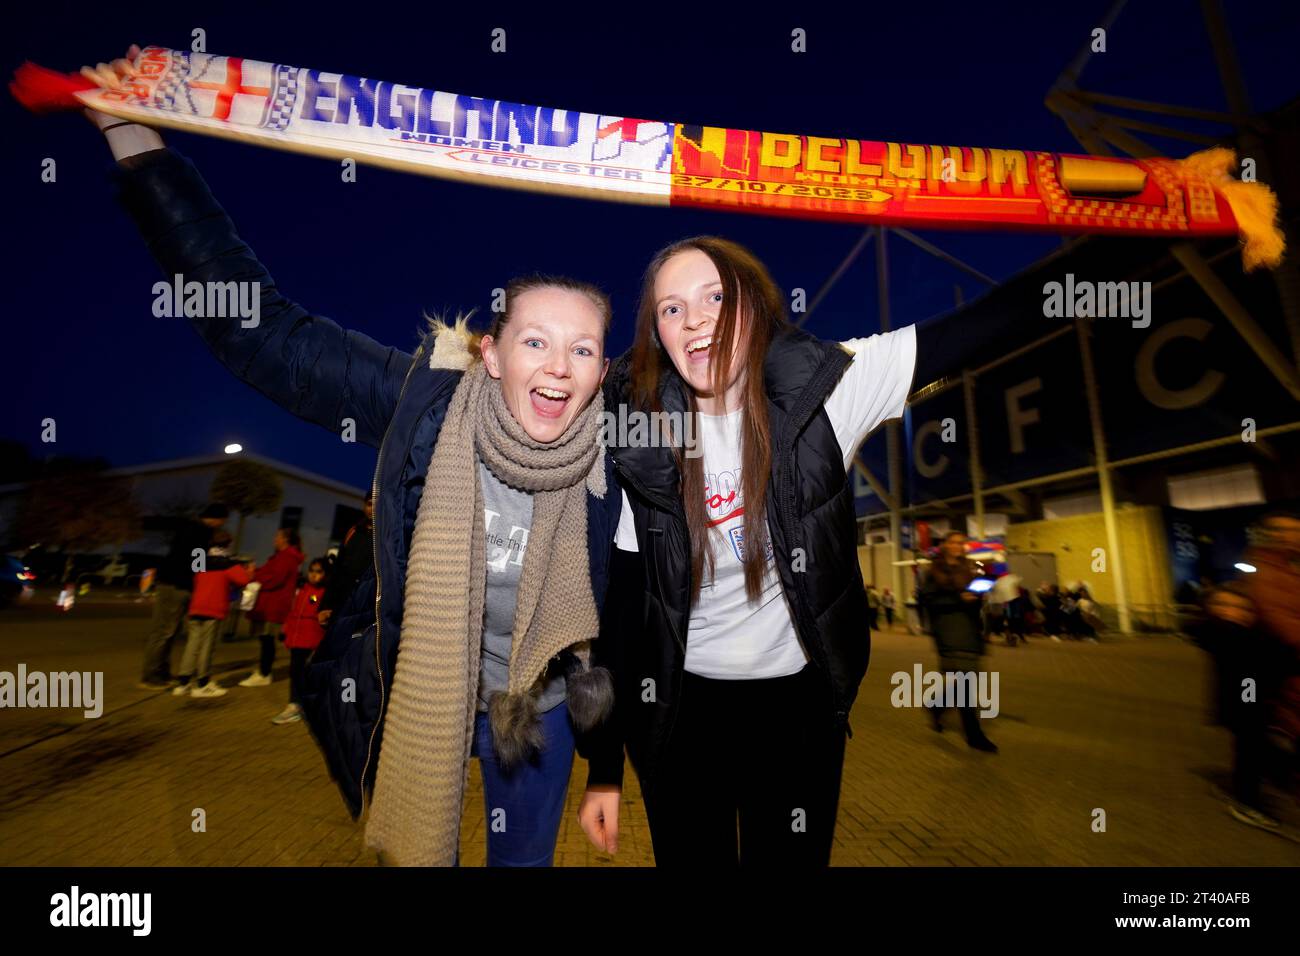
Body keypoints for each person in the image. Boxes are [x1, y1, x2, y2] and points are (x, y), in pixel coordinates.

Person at [84, 48, 623, 866]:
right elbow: (260, 332)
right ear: (489, 353)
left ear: (602, 373)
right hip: (419, 696)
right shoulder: (420, 402)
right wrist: (136, 144)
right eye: (536, 341)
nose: (558, 365)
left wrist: (608, 769)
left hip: (538, 711)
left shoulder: (620, 459)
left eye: (582, 349)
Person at [580, 235, 951, 866]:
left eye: (715, 297)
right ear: (660, 336)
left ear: (753, 307)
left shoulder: (828, 388)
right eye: (671, 309)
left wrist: (1168, 205)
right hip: (680, 713)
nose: (694, 319)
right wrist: (605, 766)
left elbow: (979, 331)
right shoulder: (642, 431)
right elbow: (622, 609)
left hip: (797, 716)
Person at [1187, 582, 1282, 830]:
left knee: (1255, 752)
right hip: (1244, 705)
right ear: (1210, 609)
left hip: (1252, 703)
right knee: (1250, 752)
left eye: (1241, 607)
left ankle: (1247, 789)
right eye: (1223, 605)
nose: (1233, 611)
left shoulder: (1249, 633)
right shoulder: (1220, 631)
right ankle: (1246, 802)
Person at [917, 531, 998, 752]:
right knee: (966, 683)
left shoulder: (967, 569)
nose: (957, 546)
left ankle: (936, 707)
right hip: (949, 630)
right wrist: (958, 599)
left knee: (966, 681)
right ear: (944, 545)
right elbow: (928, 601)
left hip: (969, 629)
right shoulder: (933, 571)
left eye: (961, 543)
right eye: (953, 542)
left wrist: (976, 596)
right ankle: (974, 735)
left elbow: (972, 600)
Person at [137, 502, 227, 689]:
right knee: (164, 631)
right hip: (175, 585)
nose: (222, 524)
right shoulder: (200, 532)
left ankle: (161, 672)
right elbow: (197, 564)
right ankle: (150, 675)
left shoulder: (190, 528)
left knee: (169, 632)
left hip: (173, 584)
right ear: (217, 519)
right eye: (222, 521)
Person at [173, 530, 253, 698]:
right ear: (228, 544)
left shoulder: (200, 560)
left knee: (192, 645)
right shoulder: (228, 563)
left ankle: (183, 683)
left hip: (196, 606)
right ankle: (202, 684)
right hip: (213, 608)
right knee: (207, 647)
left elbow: (194, 579)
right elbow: (244, 580)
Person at [238, 526, 305, 687]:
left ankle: (265, 673)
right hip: (272, 603)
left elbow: (275, 578)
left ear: (285, 540)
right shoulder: (284, 557)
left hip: (273, 605)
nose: (275, 539)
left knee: (267, 639)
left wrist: (255, 577)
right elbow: (272, 574)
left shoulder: (286, 557)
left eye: (278, 536)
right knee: (265, 639)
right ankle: (263, 671)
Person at [272, 557, 329, 725]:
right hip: (297, 638)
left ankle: (299, 705)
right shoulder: (303, 590)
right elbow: (293, 612)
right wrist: (285, 629)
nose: (314, 575)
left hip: (312, 638)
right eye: (312, 571)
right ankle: (295, 705)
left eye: (319, 572)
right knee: (296, 672)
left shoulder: (324, 593)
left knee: (305, 673)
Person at [318, 493, 372, 629]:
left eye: (378, 504)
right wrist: (325, 605)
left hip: (365, 609)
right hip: (340, 605)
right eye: (370, 504)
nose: (373, 509)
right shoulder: (353, 532)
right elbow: (337, 571)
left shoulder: (388, 536)